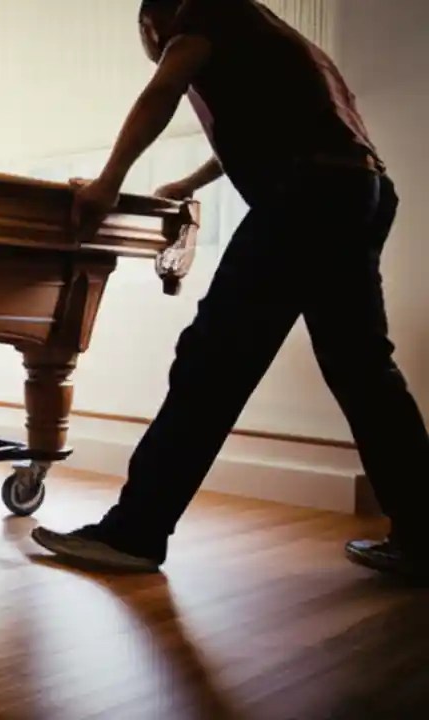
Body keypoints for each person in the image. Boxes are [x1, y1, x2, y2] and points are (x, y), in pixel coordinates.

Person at [31, 0, 429, 581]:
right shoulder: (265, 33)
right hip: (362, 190)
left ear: (156, 24)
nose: (162, 57)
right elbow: (267, 120)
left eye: (156, 47)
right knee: (364, 369)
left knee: (212, 361)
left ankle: (134, 532)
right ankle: (423, 535)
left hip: (309, 194)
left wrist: (108, 182)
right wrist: (188, 181)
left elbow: (161, 93)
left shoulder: (202, 9)